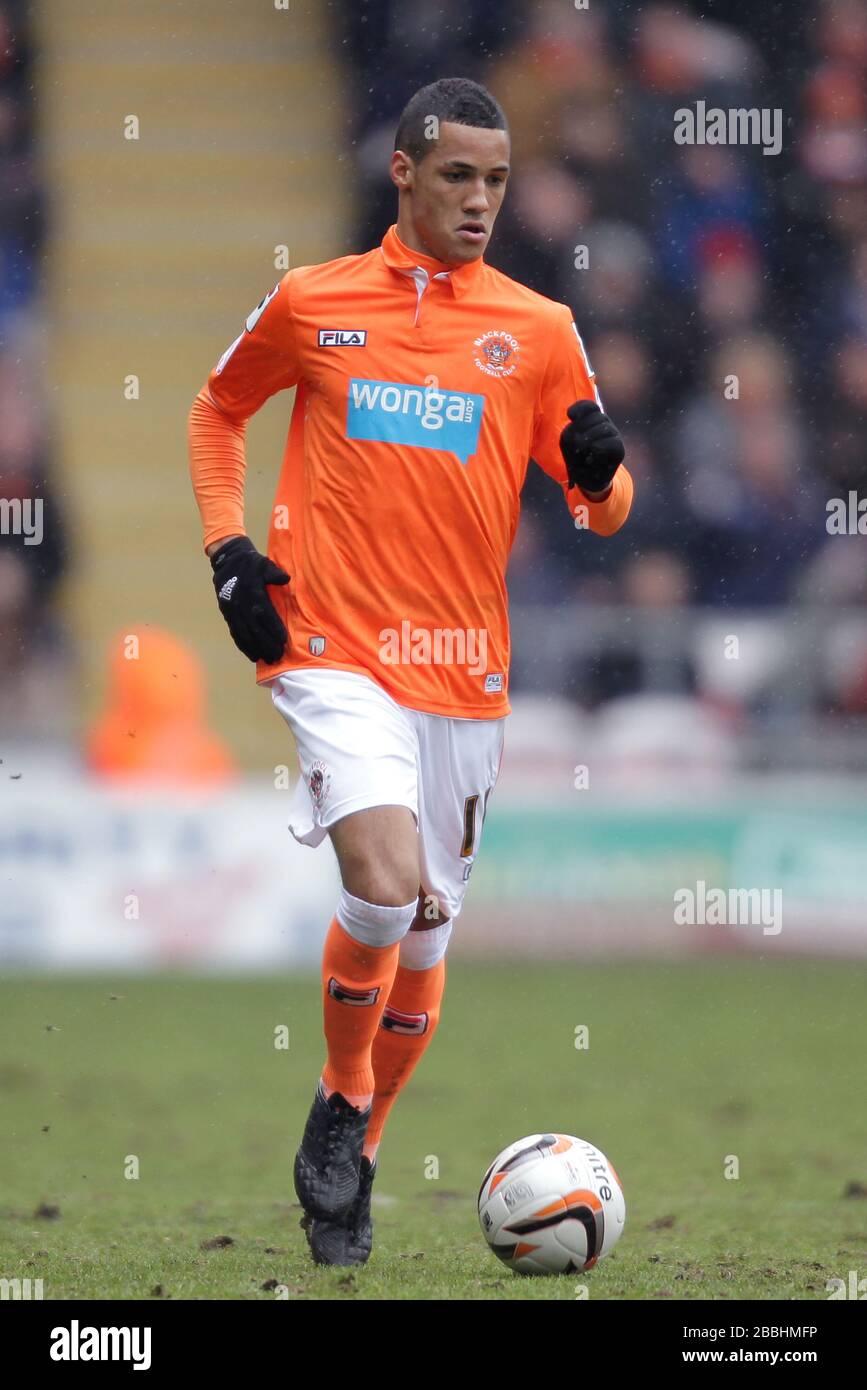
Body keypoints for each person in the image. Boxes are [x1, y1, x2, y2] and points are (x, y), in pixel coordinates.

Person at [187, 77, 633, 1267]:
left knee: (425, 940)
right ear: (403, 172)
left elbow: (605, 510)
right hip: (331, 649)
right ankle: (340, 1096)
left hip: (462, 675)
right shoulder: (315, 301)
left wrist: (599, 472)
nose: (481, 200)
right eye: (457, 177)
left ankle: (361, 1152)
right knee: (384, 887)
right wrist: (232, 552)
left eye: (495, 179)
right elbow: (217, 412)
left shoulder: (538, 330)